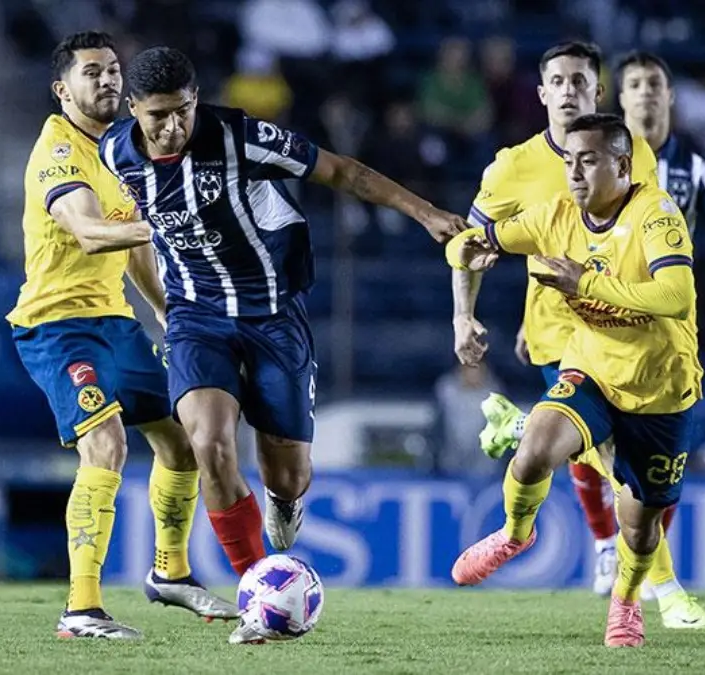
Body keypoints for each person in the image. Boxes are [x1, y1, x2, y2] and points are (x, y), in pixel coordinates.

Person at [99, 45, 466, 645]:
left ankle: (283, 501)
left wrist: (424, 214)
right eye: (158, 115)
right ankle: (256, 595)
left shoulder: (239, 136)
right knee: (210, 443)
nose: (173, 127)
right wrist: (159, 306)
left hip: (273, 318)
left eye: (184, 111)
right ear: (134, 108)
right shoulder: (114, 152)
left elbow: (342, 171)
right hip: (197, 318)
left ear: (197, 100)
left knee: (289, 474)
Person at [479, 51, 705, 611]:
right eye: (635, 85)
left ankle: (633, 558)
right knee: (577, 440)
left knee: (639, 481)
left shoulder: (685, 169)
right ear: (617, 99)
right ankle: (619, 559)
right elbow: (551, 236)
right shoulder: (578, 163)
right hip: (583, 326)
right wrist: (528, 312)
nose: (645, 94)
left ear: (669, 97)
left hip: (665, 331)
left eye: (654, 84)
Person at [456, 43, 705, 628]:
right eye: (557, 80)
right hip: (574, 349)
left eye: (580, 80)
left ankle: (627, 593)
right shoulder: (521, 175)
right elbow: (473, 240)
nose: (574, 172)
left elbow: (663, 283)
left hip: (656, 374)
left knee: (640, 510)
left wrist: (590, 281)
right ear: (541, 92)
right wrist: (463, 266)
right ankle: (525, 537)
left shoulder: (647, 189)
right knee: (552, 446)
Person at [8, 31, 236, 640]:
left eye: (113, 70)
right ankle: (80, 610)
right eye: (92, 73)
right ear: (63, 89)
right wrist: (168, 222)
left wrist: (169, 314)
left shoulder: (116, 149)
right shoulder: (58, 151)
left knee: (182, 443)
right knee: (106, 445)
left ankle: (171, 573)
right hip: (58, 328)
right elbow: (88, 229)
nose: (108, 80)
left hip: (116, 322)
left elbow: (131, 244)